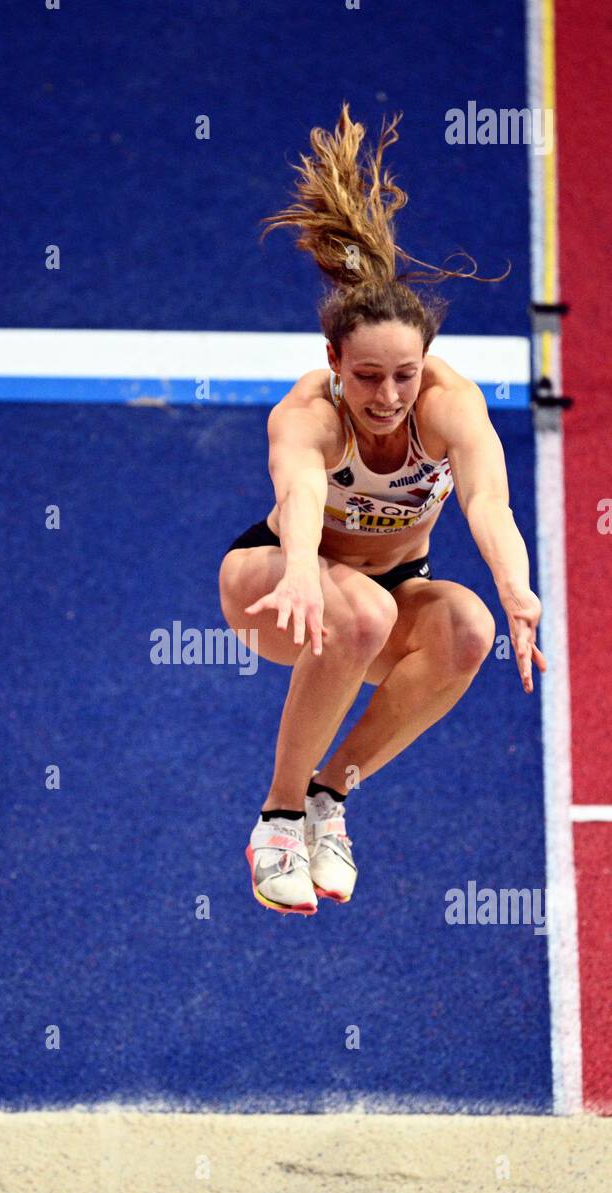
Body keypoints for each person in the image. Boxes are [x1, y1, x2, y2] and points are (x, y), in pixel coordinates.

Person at [218, 103, 546, 917]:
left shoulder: (449, 407)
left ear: (423, 364)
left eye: (403, 375)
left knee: (467, 629)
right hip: (271, 581)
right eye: (366, 376)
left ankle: (332, 795)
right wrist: (299, 572)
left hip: (389, 593)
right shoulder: (309, 414)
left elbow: (488, 503)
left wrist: (514, 588)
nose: (386, 396)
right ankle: (278, 816)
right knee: (357, 611)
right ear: (334, 363)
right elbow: (297, 496)